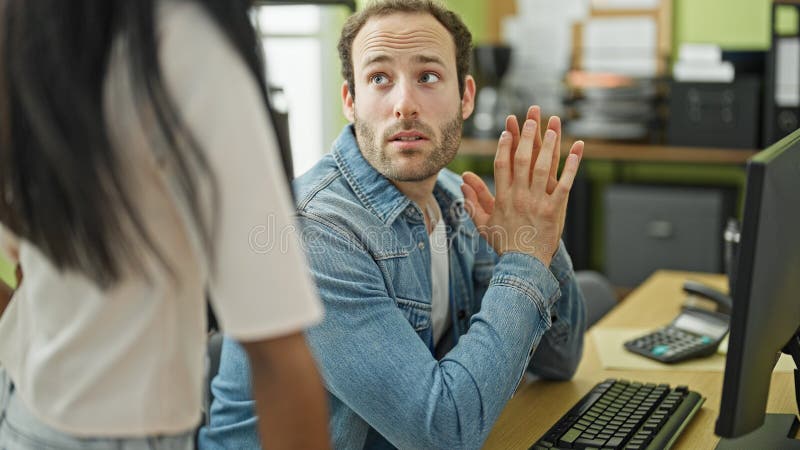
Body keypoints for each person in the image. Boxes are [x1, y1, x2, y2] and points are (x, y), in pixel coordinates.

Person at [201, 0, 587, 448]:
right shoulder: (313, 234)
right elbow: (443, 431)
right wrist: (524, 262)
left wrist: (537, 239)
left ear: (465, 97)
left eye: (427, 77)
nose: (404, 104)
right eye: (379, 78)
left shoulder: (460, 201)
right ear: (351, 100)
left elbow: (560, 361)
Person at [0, 0, 329, 448]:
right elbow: (279, 356)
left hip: (24, 409)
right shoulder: (185, 46)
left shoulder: (26, 35)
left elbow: (26, 266)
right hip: (118, 429)